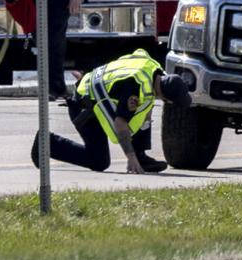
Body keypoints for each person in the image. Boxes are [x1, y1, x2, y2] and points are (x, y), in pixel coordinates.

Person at [30, 48, 189, 174]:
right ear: (165, 96)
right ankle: (46, 143)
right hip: (84, 108)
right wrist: (130, 157)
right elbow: (120, 123)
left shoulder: (153, 67)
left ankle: (142, 158)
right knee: (99, 161)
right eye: (169, 101)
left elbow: (138, 54)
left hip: (93, 91)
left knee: (145, 110)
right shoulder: (135, 90)